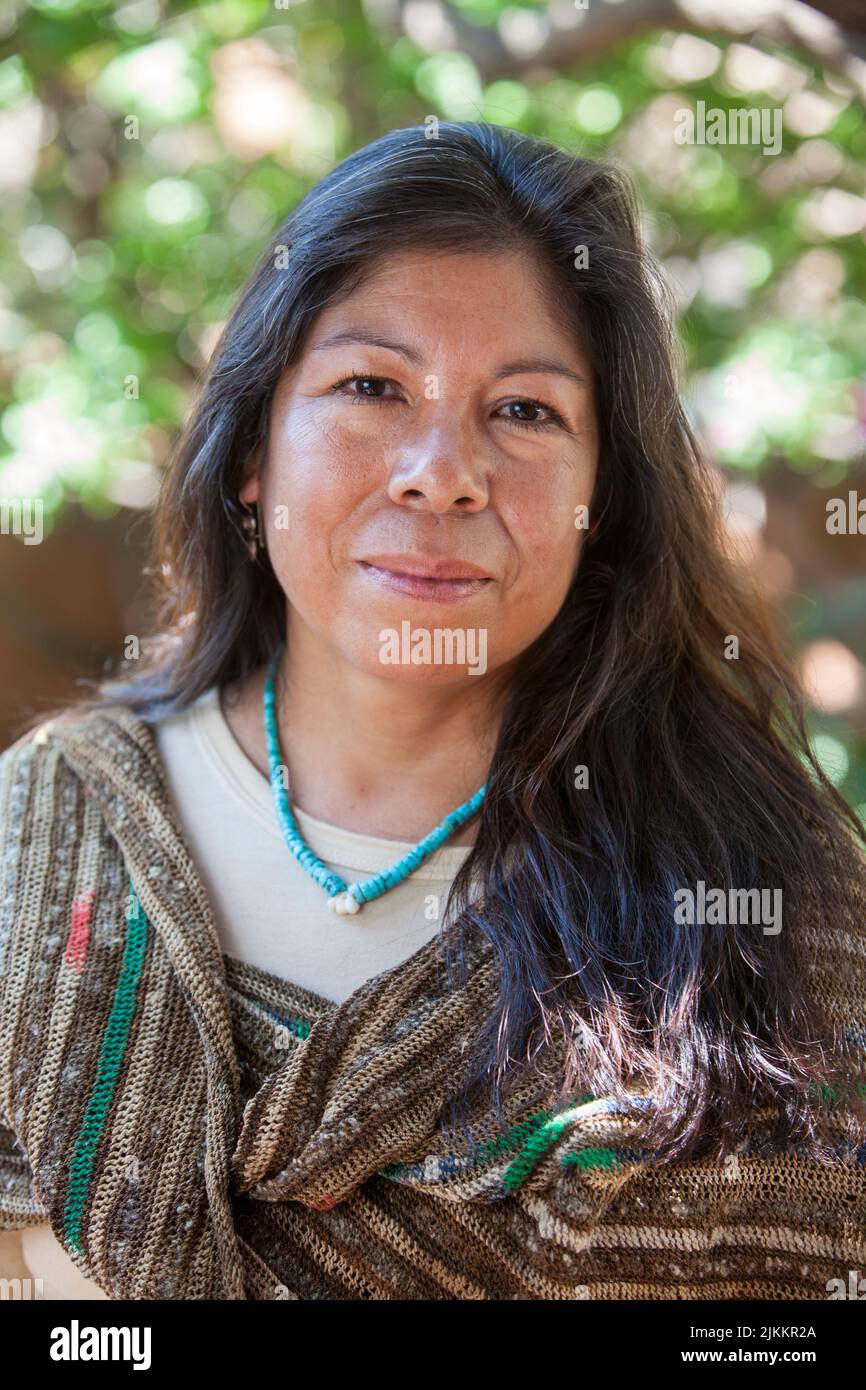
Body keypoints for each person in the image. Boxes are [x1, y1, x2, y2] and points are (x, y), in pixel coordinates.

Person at [1, 121, 864, 1301]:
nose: (440, 470)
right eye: (370, 386)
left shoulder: (760, 900)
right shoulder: (42, 831)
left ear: (600, 497)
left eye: (523, 412)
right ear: (253, 448)